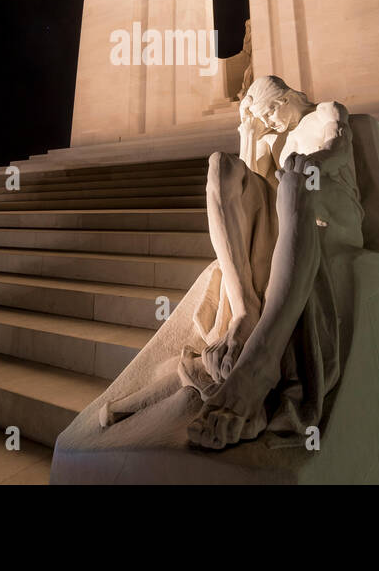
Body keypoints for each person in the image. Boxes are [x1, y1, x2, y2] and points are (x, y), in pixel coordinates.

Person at [100, 75, 364, 450]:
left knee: (293, 179)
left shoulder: (325, 113)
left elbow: (338, 147)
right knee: (221, 166)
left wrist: (308, 162)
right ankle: (245, 311)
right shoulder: (272, 136)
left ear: (288, 97)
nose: (270, 121)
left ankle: (261, 363)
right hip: (290, 210)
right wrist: (249, 131)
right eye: (264, 117)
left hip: (332, 210)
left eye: (271, 111)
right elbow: (249, 179)